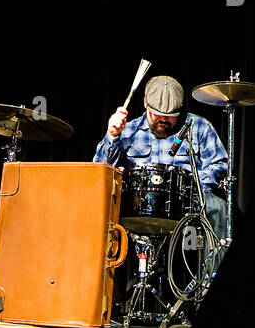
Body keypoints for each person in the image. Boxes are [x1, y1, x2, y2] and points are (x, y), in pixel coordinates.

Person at [94, 75, 230, 261]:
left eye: (170, 116)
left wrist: (194, 188)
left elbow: (219, 164)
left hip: (188, 205)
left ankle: (209, 278)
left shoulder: (199, 127)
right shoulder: (129, 130)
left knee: (217, 206)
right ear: (145, 104)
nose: (163, 120)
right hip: (141, 207)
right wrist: (112, 136)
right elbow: (101, 170)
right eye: (157, 114)